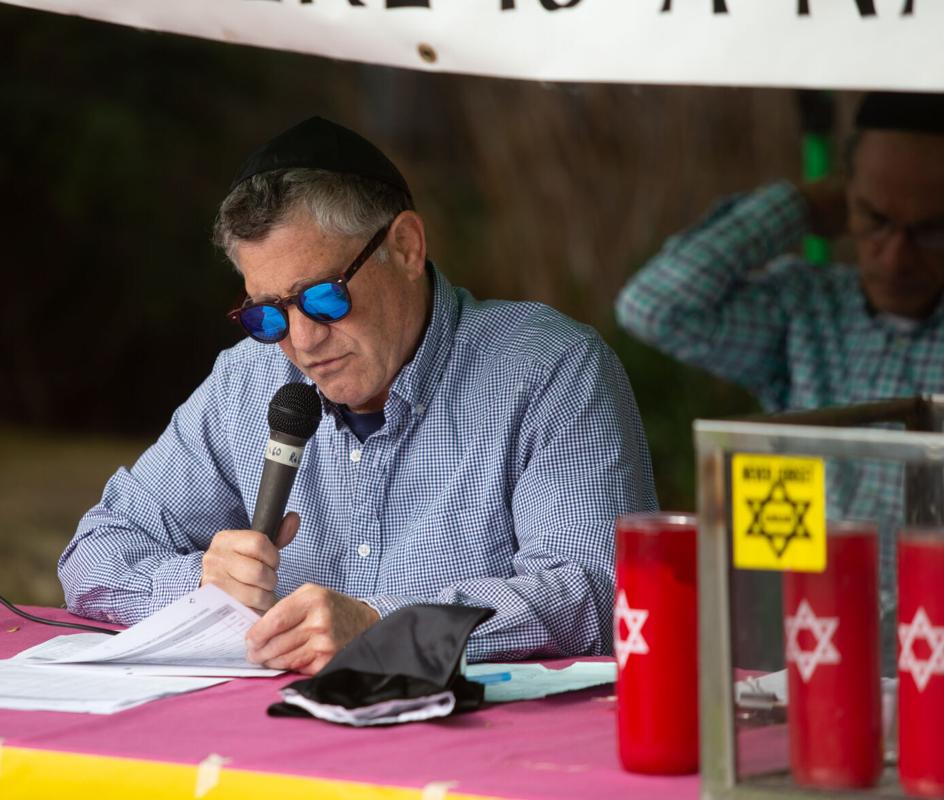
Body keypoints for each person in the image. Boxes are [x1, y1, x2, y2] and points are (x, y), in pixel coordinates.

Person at [60, 117, 657, 674]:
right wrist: (201, 587)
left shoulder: (548, 367)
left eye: (324, 298)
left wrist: (384, 629)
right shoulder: (246, 381)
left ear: (405, 247)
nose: (301, 340)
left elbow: (593, 590)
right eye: (267, 314)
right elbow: (95, 552)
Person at [616, 91, 944, 615]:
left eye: (929, 230)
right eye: (875, 219)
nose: (895, 254)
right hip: (804, 620)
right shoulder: (805, 308)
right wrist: (798, 207)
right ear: (844, 200)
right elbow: (653, 306)